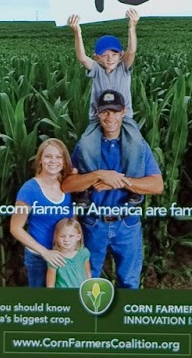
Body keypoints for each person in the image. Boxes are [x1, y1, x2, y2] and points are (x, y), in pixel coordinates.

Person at [63, 89, 164, 288]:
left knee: (129, 282)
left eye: (115, 111)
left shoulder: (138, 145)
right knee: (87, 281)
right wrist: (99, 174)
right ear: (98, 113)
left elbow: (157, 185)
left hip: (127, 223)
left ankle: (120, 318)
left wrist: (119, 180)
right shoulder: (86, 146)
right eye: (105, 112)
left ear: (123, 112)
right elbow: (67, 185)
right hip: (93, 223)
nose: (110, 117)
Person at [67, 9, 145, 147]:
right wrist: (77, 33)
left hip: (124, 118)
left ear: (121, 54)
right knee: (85, 145)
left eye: (114, 54)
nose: (110, 59)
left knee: (136, 144)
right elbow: (82, 58)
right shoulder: (96, 69)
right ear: (97, 57)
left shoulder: (124, 67)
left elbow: (132, 51)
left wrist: (132, 27)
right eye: (105, 55)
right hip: (98, 118)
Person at [8, 137, 75, 287]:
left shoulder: (67, 185)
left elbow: (73, 219)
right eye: (48, 156)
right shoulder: (30, 189)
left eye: (59, 157)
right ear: (40, 160)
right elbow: (16, 228)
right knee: (41, 303)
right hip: (39, 258)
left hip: (66, 256)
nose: (53, 161)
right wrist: (45, 252)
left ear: (64, 162)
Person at [44, 217, 91, 289]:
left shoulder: (83, 253)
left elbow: (88, 274)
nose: (66, 240)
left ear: (78, 237)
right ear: (56, 237)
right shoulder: (55, 258)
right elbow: (50, 285)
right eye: (62, 236)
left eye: (71, 236)